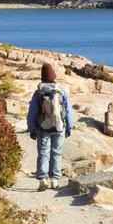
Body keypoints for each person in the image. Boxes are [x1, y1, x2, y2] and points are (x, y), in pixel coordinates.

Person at [26, 62, 74, 190]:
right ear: (54, 75)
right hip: (59, 126)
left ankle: (42, 179)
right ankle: (55, 180)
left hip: (42, 127)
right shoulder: (61, 91)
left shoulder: (39, 93)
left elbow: (33, 112)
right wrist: (69, 127)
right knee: (56, 153)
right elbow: (68, 110)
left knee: (43, 153)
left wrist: (31, 128)